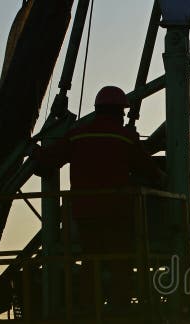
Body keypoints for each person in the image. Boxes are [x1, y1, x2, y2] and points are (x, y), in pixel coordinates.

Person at [35, 85, 164, 311]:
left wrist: (34, 151)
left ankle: (87, 307)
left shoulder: (78, 135)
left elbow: (47, 163)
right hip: (117, 212)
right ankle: (119, 309)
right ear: (119, 112)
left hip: (85, 213)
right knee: (119, 263)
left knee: (90, 261)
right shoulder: (124, 138)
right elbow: (149, 171)